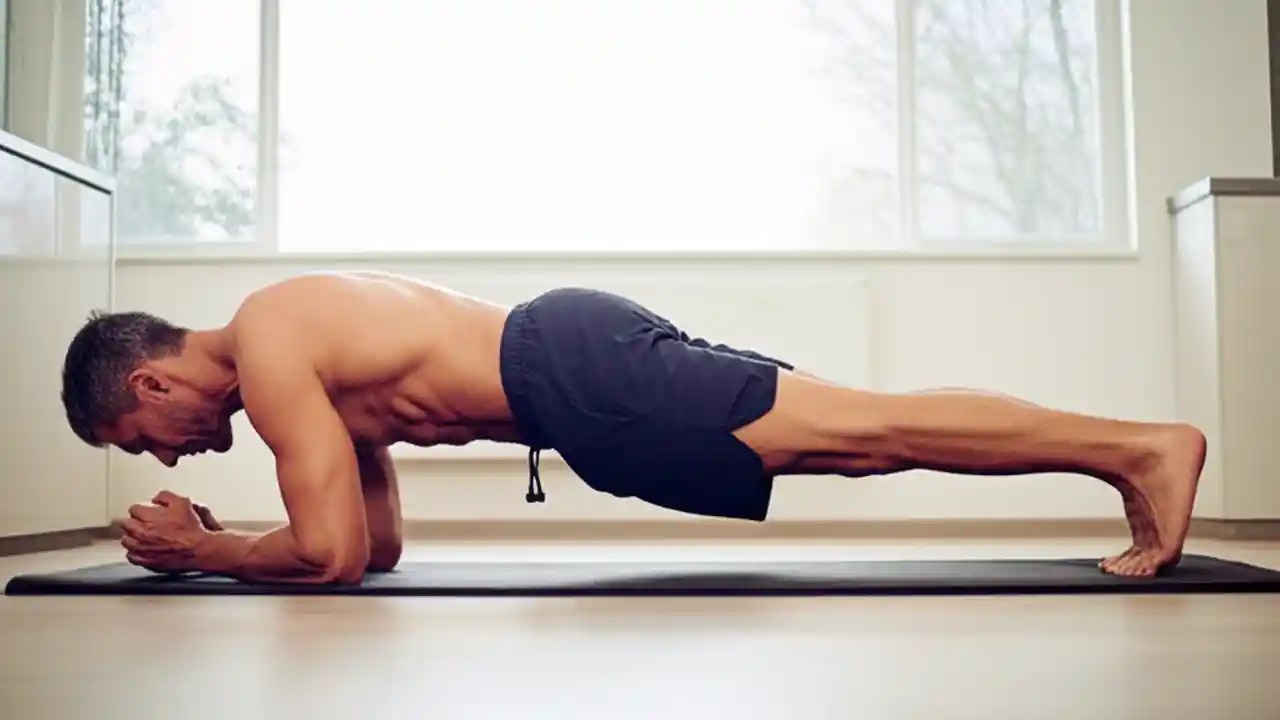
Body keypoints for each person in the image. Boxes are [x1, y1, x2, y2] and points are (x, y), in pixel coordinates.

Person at [60, 271, 1206, 583]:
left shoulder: (269, 352)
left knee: (866, 428)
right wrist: (220, 545)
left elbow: (325, 558)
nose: (162, 454)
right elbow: (377, 551)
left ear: (154, 382)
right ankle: (1125, 453)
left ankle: (1140, 447)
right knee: (861, 437)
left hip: (569, 373)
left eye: (138, 435)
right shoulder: (291, 358)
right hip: (571, 375)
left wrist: (205, 552)